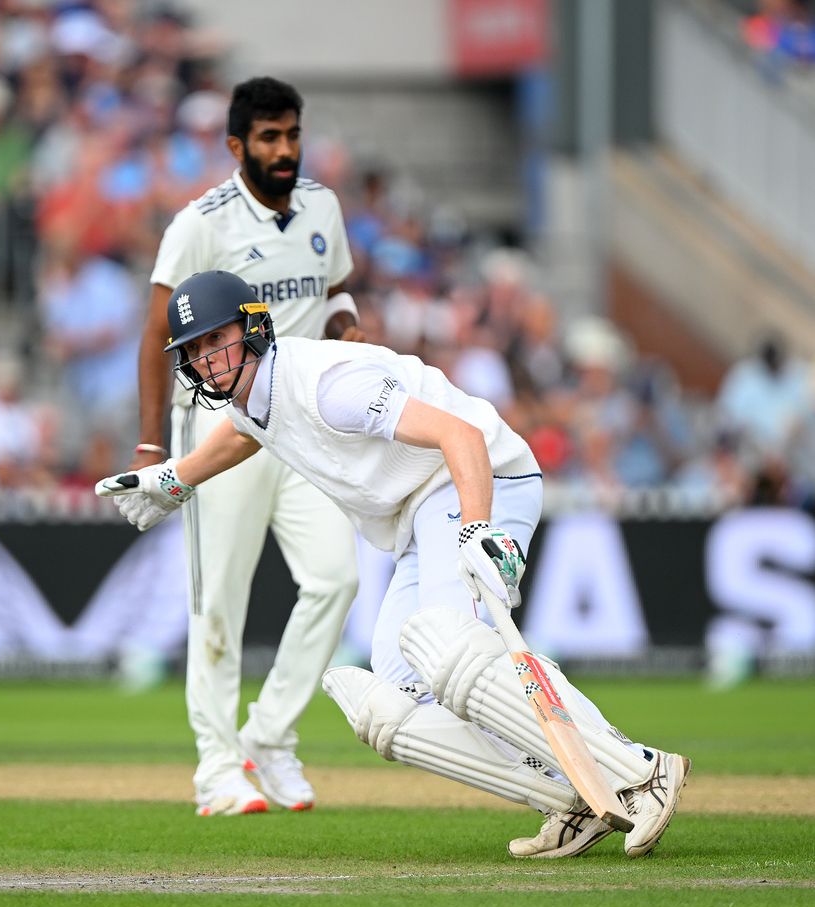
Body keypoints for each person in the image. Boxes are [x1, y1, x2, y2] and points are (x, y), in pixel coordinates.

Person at [99, 270, 690, 858]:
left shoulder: (328, 385)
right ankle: (571, 797)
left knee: (450, 652)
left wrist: (479, 528)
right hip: (416, 514)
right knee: (397, 697)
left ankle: (640, 770)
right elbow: (243, 434)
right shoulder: (257, 398)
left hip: (480, 481)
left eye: (215, 339)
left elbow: (461, 435)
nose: (206, 359)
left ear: (253, 328)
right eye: (194, 350)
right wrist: (175, 479)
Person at [131, 77, 363, 816]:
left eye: (291, 134)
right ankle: (215, 769)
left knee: (335, 579)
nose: (284, 149)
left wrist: (346, 327)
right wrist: (148, 447)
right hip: (218, 421)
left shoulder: (322, 206)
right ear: (237, 147)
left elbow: (334, 292)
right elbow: (155, 332)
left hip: (301, 421)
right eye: (268, 137)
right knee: (217, 602)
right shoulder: (201, 222)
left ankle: (267, 736)